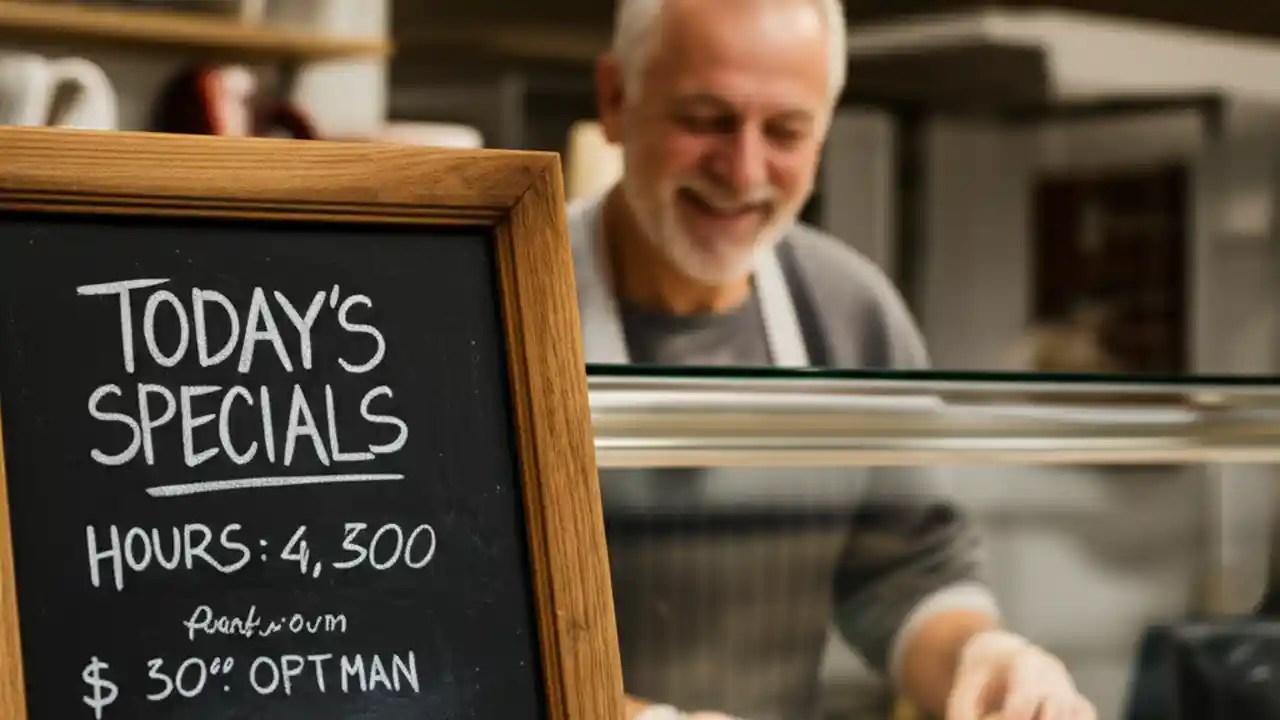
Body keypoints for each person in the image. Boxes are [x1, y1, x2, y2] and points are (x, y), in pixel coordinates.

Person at [566, 0, 1098, 719]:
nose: (743, 170)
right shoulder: (501, 294)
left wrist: (986, 661)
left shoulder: (850, 309)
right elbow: (450, 610)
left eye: (786, 131)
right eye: (705, 119)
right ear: (615, 100)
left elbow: (907, 573)